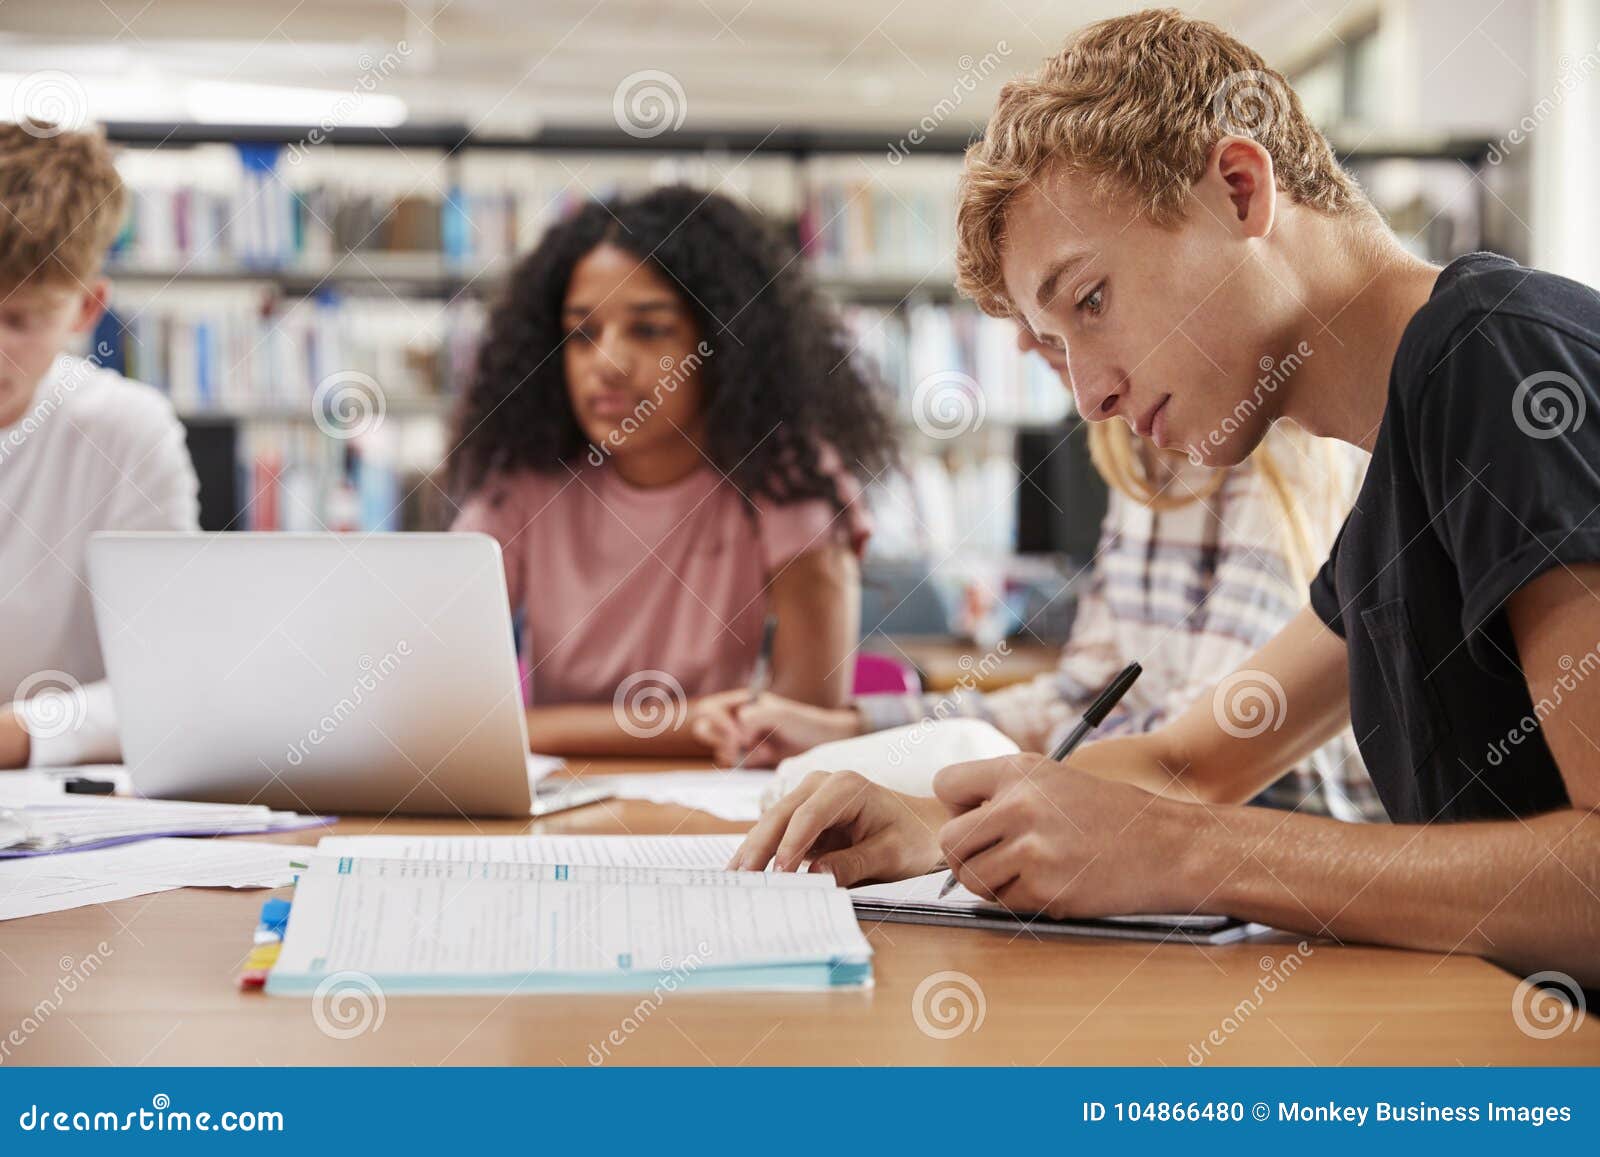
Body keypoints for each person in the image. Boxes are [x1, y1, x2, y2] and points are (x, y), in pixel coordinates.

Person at [731, 8, 1600, 985]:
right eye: (1055, 346)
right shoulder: (1407, 463)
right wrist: (936, 826)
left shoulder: (1496, 360)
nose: (1090, 394)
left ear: (1239, 189)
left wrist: (1195, 852)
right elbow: (1188, 763)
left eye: (1091, 302)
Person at [695, 326, 1381, 821]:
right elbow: (1085, 697)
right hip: (1171, 850)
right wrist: (850, 727)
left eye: (1079, 298)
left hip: (1281, 867)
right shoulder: (1142, 446)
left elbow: (1204, 757)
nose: (1025, 342)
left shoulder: (1273, 445)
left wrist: (935, 807)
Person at [448, 186, 895, 756]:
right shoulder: (522, 483)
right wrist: (689, 724)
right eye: (582, 334)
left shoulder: (788, 479)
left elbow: (802, 728)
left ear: (725, 344)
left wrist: (538, 732)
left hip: (718, 820)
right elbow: (444, 719)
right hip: (552, 812)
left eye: (649, 330)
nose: (606, 363)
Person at [0, 121, 200, 770]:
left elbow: (172, 682)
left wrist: (19, 734)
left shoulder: (128, 432)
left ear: (87, 309)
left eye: (18, 319)